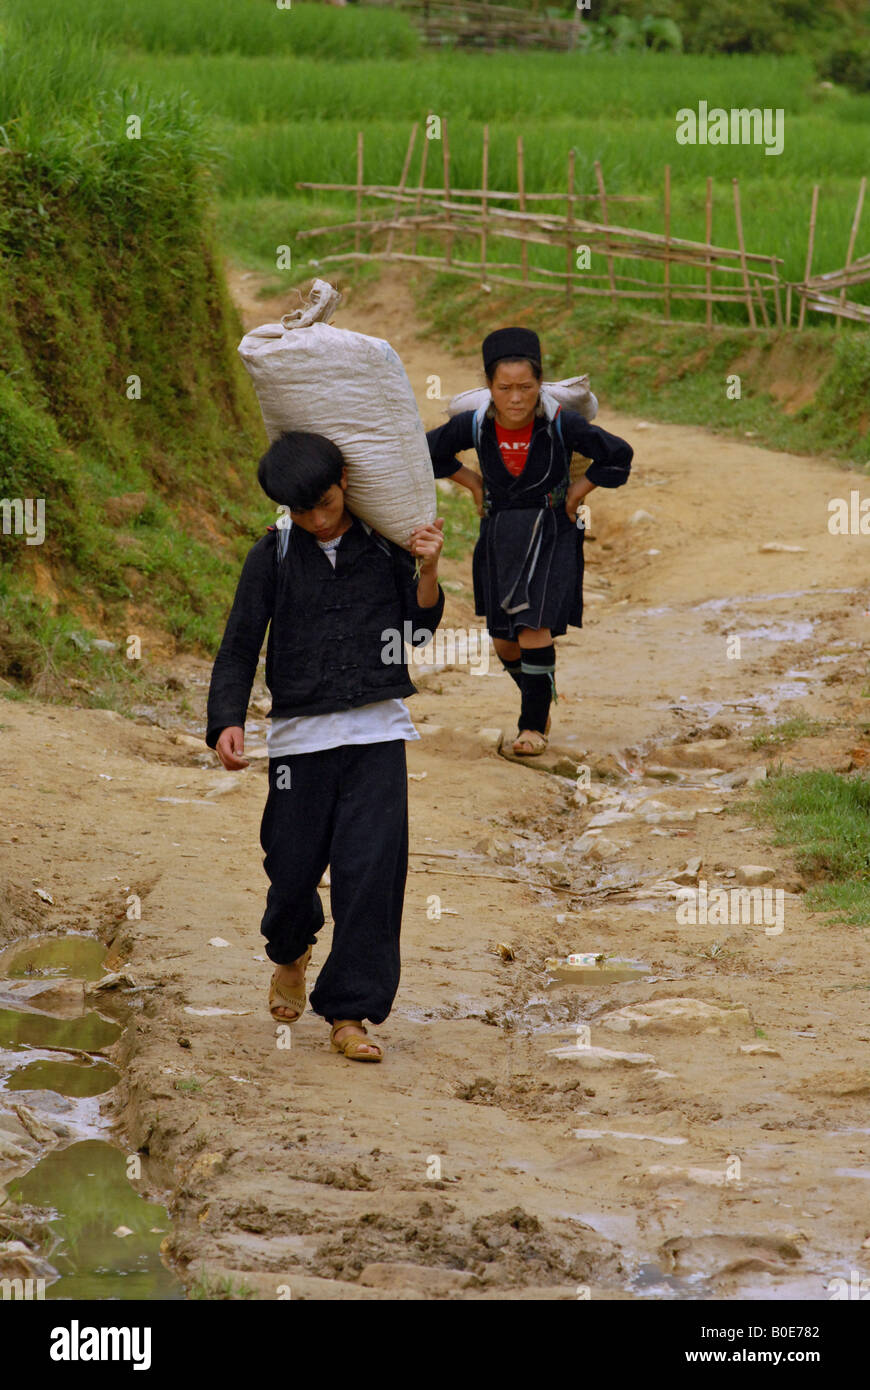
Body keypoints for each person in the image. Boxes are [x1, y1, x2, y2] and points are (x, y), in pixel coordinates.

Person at [205, 431, 445, 1062]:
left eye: (327, 501)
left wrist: (427, 567)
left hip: (376, 735)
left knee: (370, 875)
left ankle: (350, 1014)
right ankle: (289, 954)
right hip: (298, 743)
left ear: (344, 480)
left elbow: (418, 632)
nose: (318, 518)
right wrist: (226, 720)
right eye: (302, 510)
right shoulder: (274, 555)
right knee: (289, 872)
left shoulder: (385, 545)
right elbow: (238, 644)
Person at [426, 327, 632, 755]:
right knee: (504, 639)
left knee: (533, 626)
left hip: (552, 527)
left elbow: (618, 453)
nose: (516, 398)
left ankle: (532, 727)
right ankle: (537, 695)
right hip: (500, 532)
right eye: (505, 388)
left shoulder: (561, 423)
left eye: (526, 387)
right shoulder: (475, 424)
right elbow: (427, 451)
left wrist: (578, 491)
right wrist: (471, 482)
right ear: (489, 387)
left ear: (540, 385)